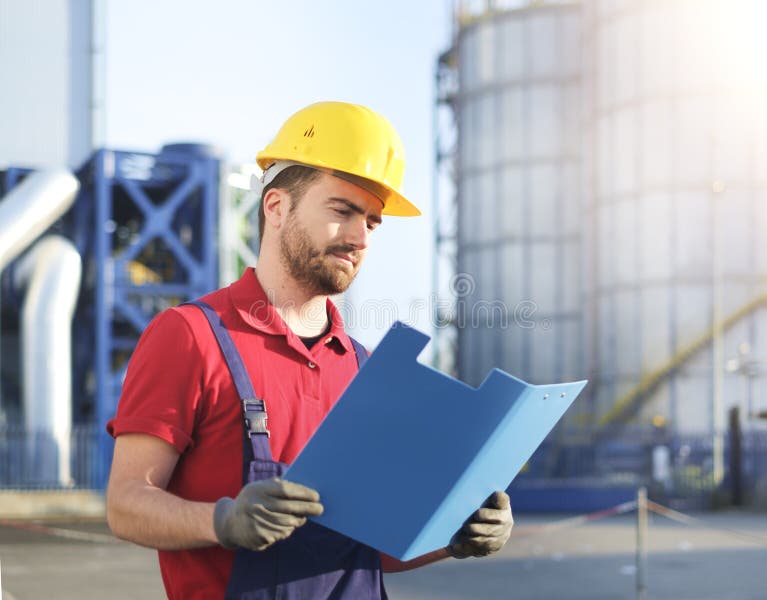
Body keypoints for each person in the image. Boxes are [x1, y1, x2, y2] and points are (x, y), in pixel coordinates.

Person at [105, 101, 514, 599]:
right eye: (342, 211)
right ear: (276, 207)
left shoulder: (364, 366)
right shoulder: (189, 335)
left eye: (372, 222)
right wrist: (223, 521)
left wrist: (454, 536)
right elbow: (125, 505)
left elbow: (370, 548)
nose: (360, 237)